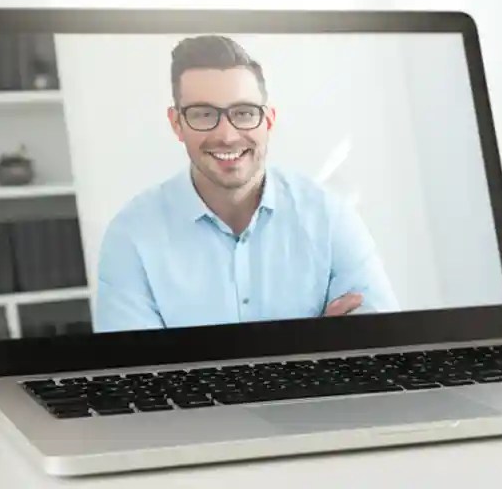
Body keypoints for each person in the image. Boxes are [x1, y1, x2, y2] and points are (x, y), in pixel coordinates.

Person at [93, 35, 398, 332]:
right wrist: (312, 344)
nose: (227, 135)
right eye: (203, 114)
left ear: (268, 120)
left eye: (243, 113)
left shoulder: (330, 216)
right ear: (176, 124)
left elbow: (381, 340)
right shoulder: (131, 237)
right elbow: (142, 373)